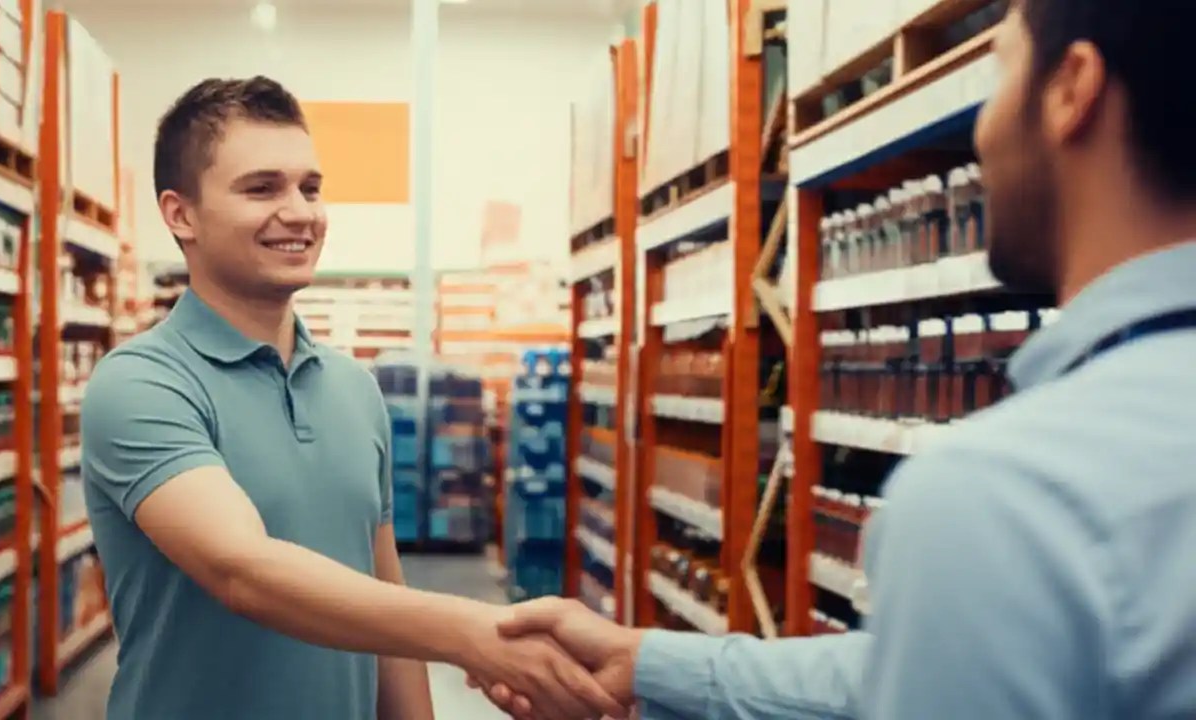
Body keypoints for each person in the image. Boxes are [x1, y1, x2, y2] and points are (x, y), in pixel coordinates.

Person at [478, 0, 1196, 717]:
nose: (982, 129)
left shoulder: (1007, 501)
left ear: (1073, 90)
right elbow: (915, 666)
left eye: (998, 68)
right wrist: (651, 661)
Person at [80, 76, 627, 720]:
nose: (302, 212)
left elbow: (383, 590)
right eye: (263, 188)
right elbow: (242, 570)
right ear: (181, 215)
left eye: (310, 187)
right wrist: (475, 634)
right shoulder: (141, 383)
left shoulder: (353, 388)